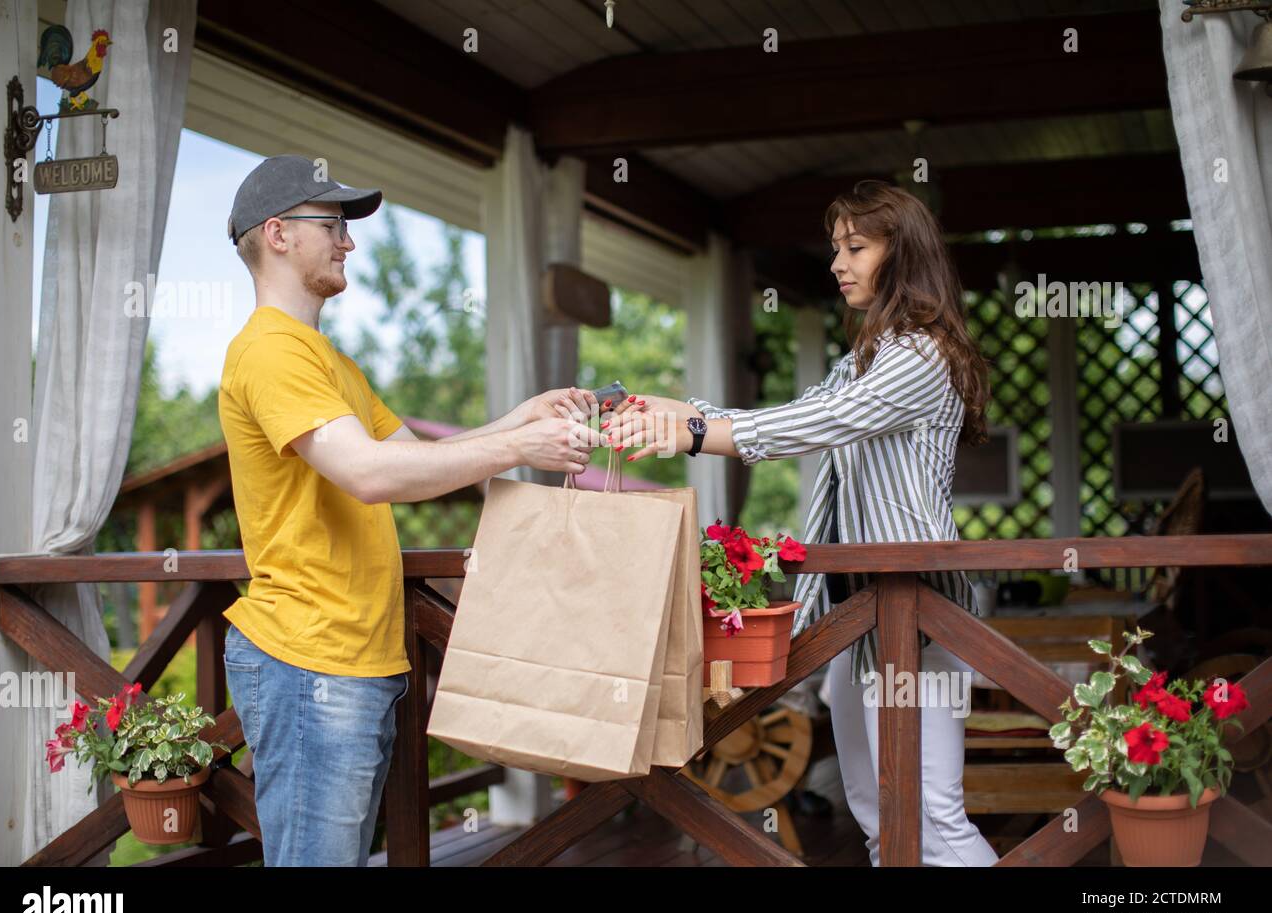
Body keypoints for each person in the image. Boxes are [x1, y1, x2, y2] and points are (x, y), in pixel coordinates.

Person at [600, 180, 997, 866]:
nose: (837, 264)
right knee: (878, 816)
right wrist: (661, 405)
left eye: (856, 247)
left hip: (920, 612)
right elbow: (784, 414)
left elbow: (811, 425)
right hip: (859, 616)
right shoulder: (863, 359)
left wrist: (689, 433)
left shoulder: (921, 356)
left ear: (902, 254)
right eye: (835, 248)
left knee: (933, 818)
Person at [218, 154, 599, 865]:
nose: (348, 241)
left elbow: (408, 457)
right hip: (310, 663)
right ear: (277, 233)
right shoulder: (271, 351)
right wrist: (522, 444)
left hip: (349, 661)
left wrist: (521, 420)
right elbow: (367, 473)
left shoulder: (325, 358)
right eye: (331, 223)